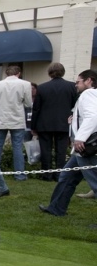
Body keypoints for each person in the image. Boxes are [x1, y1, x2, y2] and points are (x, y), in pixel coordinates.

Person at [39, 69, 97, 216]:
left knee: (95, 182)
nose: (76, 85)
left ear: (89, 80)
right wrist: (74, 121)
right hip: (83, 149)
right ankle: (56, 208)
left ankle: (56, 208)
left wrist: (80, 138)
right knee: (67, 177)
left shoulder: (88, 94)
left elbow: (92, 117)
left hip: (85, 147)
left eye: (78, 82)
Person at [31, 62, 78, 182]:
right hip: (63, 122)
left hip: (44, 123)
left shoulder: (41, 87)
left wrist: (33, 125)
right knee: (61, 151)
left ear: (49, 73)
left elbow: (36, 108)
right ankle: (59, 174)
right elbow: (75, 105)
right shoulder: (72, 87)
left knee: (45, 150)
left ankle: (46, 174)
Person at [0, 65, 33, 181]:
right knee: (17, 147)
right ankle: (19, 174)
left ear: (6, 73)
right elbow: (29, 103)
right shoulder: (25, 84)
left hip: (0, 119)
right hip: (17, 119)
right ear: (18, 73)